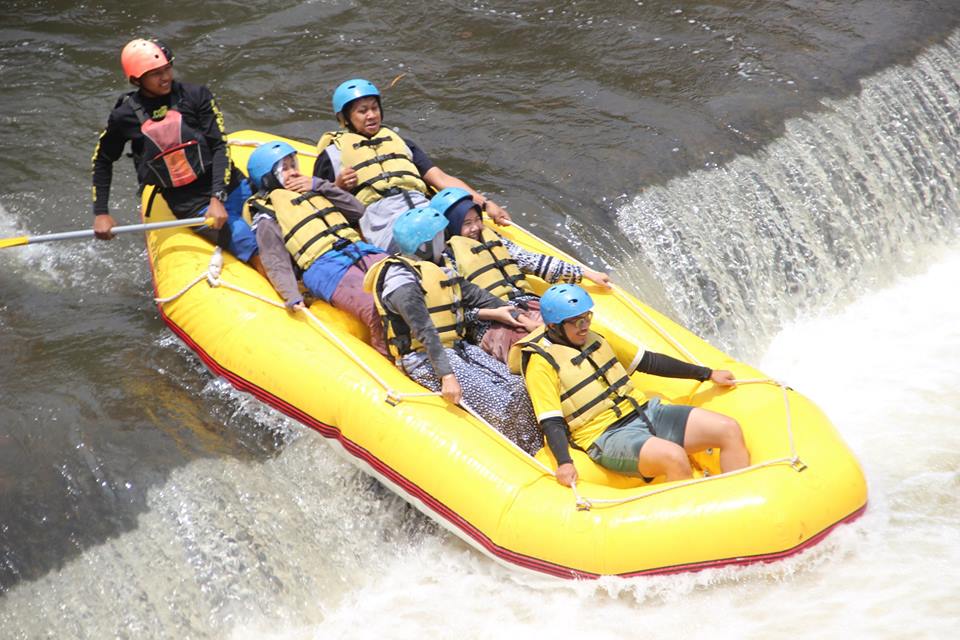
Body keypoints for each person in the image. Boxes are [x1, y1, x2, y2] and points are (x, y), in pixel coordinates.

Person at [512, 284, 749, 486]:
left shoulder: (597, 336)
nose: (584, 326)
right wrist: (564, 462)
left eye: (587, 317)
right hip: (606, 436)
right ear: (554, 327)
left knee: (728, 428)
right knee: (674, 456)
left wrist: (707, 374)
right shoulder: (540, 363)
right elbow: (551, 420)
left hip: (646, 412)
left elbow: (649, 361)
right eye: (575, 322)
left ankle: (744, 506)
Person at [362, 206, 541, 454]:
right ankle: (526, 455)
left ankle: (538, 447)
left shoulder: (439, 268)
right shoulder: (401, 282)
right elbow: (425, 331)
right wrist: (447, 376)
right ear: (423, 245)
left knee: (519, 386)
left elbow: (479, 297)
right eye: (438, 237)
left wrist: (521, 317)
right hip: (425, 360)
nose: (445, 240)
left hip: (458, 348)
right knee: (501, 403)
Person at [91, 38, 259, 267]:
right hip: (189, 203)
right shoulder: (124, 117)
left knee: (278, 225)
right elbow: (103, 160)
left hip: (228, 185)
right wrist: (101, 212)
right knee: (247, 244)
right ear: (136, 80)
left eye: (167, 68)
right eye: (155, 73)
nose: (166, 77)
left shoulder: (196, 95)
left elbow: (219, 145)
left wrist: (217, 196)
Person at [313, 78, 512, 252]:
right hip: (384, 222)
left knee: (481, 235)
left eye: (374, 108)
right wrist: (338, 188)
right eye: (362, 111)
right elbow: (317, 207)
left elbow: (442, 179)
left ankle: (519, 262)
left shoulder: (402, 144)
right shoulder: (332, 156)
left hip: (424, 208)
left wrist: (486, 204)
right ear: (345, 119)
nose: (371, 115)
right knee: (436, 250)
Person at [431, 186, 612, 363]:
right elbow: (457, 313)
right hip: (492, 323)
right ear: (450, 226)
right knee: (541, 348)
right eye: (467, 223)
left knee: (576, 330)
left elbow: (534, 262)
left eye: (478, 220)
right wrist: (496, 314)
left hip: (528, 304)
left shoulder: (495, 240)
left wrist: (586, 273)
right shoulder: (446, 262)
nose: (475, 228)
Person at [244, 140, 389, 356]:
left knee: (408, 281)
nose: (293, 172)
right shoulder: (267, 216)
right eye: (284, 169)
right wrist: (292, 296)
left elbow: (359, 212)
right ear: (267, 177)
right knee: (375, 308)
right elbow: (276, 260)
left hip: (359, 250)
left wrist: (320, 185)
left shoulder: (316, 191)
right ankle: (393, 361)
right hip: (324, 266)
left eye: (294, 165)